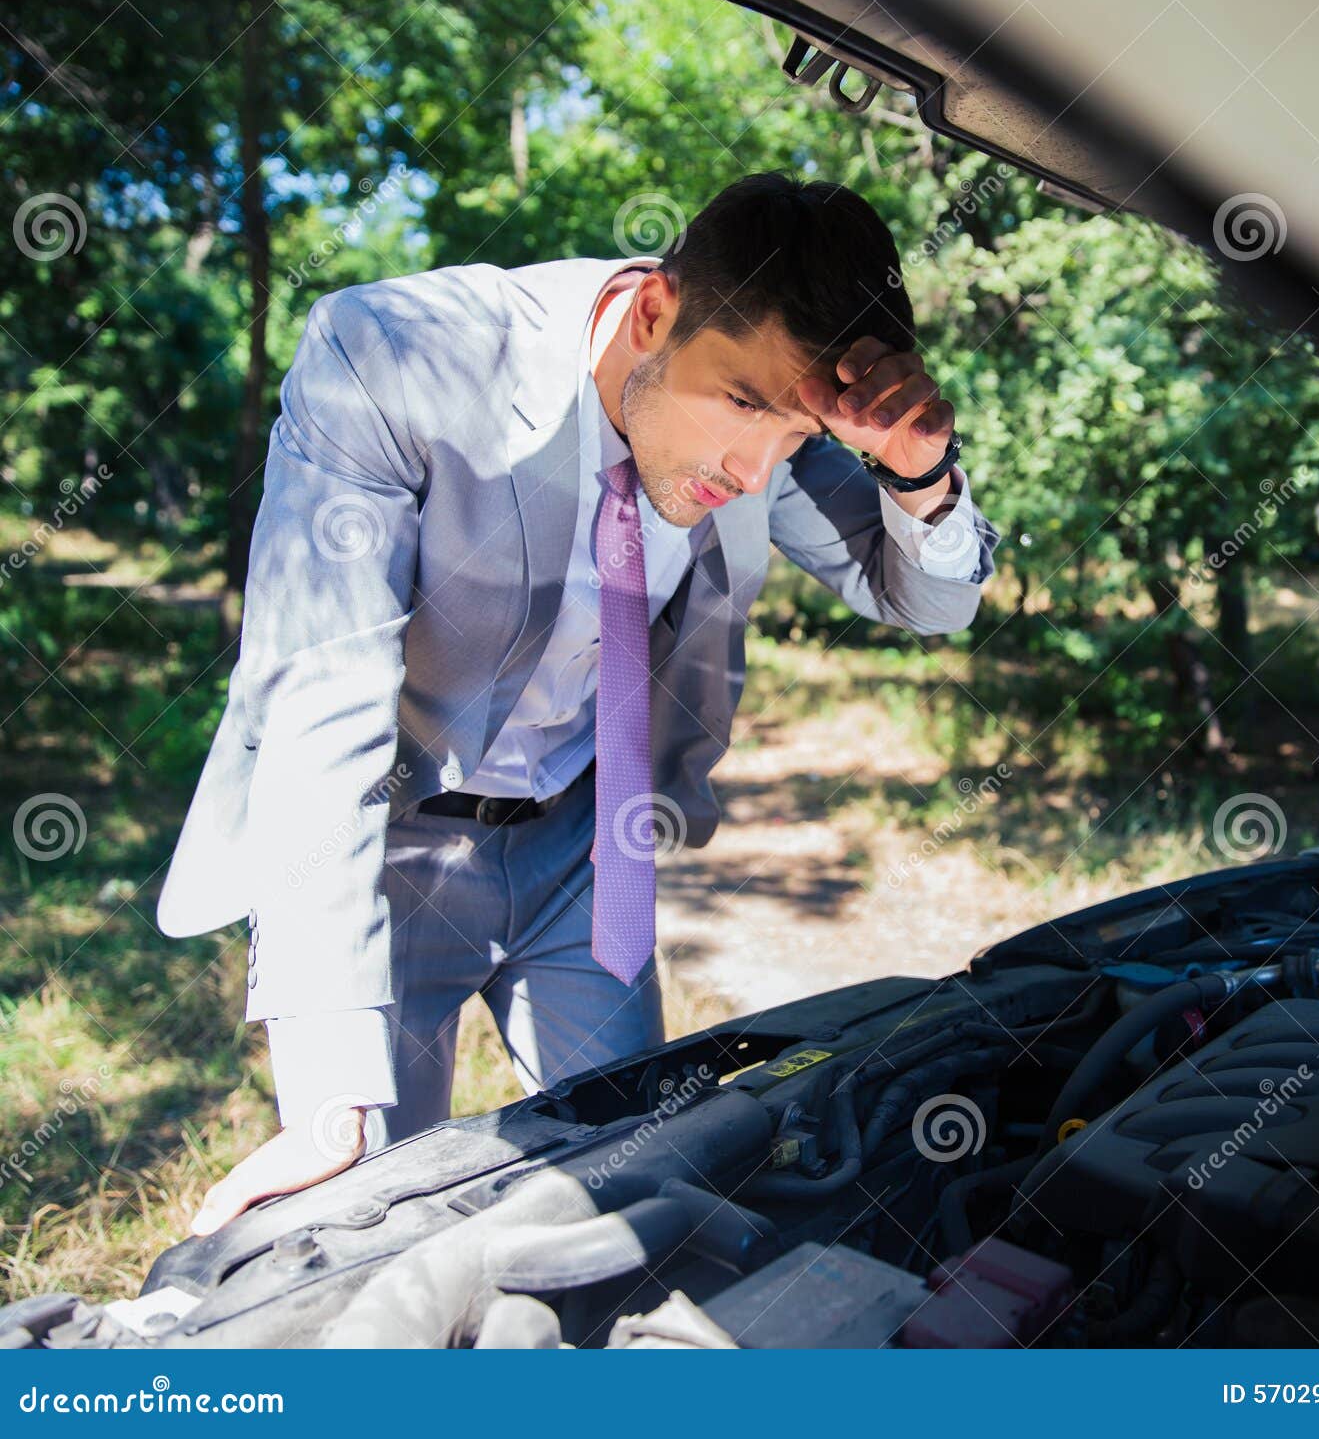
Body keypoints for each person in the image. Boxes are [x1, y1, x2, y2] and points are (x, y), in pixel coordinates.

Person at [156, 171, 998, 1234]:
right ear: (654, 311)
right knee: (371, 1211)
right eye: (741, 405)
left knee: (637, 1187)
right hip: (389, 846)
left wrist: (919, 477)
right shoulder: (395, 356)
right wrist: (327, 1094)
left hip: (582, 850)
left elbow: (925, 598)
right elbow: (320, 693)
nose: (752, 473)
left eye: (793, 435)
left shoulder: (759, 436)